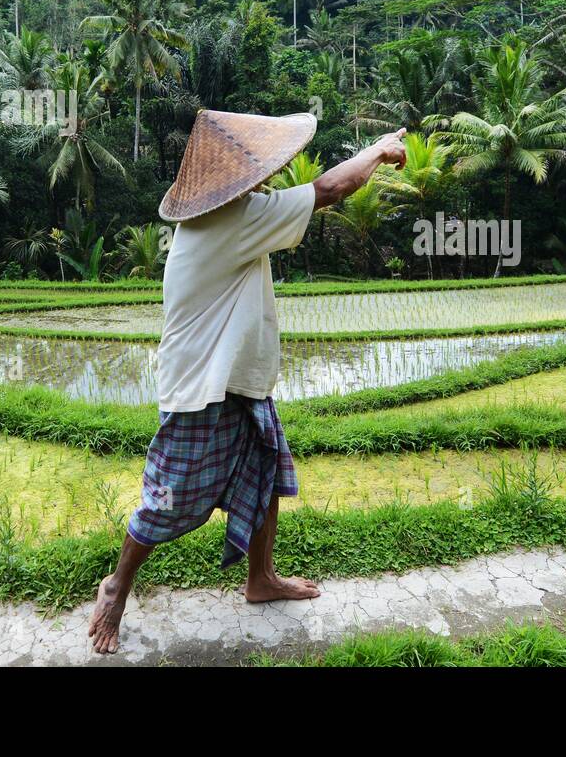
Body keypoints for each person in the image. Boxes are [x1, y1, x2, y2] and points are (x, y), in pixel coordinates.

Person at [89, 109, 407, 654]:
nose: (264, 176)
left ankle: (261, 578)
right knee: (167, 497)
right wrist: (378, 151)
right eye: (256, 169)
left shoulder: (226, 216)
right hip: (201, 388)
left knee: (263, 474)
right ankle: (117, 586)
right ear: (236, 180)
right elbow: (329, 188)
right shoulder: (235, 220)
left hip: (239, 381)